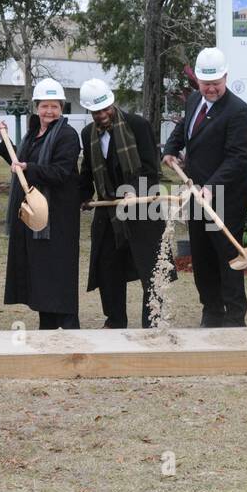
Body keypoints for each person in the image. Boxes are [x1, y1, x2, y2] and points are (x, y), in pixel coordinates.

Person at [162, 47, 247, 327]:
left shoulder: (239, 112)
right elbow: (183, 129)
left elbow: (237, 158)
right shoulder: (194, 101)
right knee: (201, 256)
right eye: (206, 83)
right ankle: (212, 310)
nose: (212, 89)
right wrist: (170, 149)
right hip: (195, 194)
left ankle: (235, 315)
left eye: (217, 83)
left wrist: (212, 186)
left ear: (226, 77)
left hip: (224, 197)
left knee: (227, 256)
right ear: (198, 81)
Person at [77, 78, 170, 329]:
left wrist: (135, 192)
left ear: (112, 103)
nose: (103, 114)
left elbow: (152, 168)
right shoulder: (88, 135)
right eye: (97, 112)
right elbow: (87, 170)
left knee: (150, 267)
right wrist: (83, 195)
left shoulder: (138, 125)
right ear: (90, 112)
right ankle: (115, 319)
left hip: (143, 207)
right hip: (109, 211)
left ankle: (152, 321)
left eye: (106, 108)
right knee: (108, 267)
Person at [0, 78, 82, 329]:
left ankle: (67, 325)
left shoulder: (67, 135)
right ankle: (47, 324)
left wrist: (28, 168)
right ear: (36, 107)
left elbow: (60, 172)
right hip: (36, 216)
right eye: (45, 106)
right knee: (41, 274)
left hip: (58, 217)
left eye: (54, 106)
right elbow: (20, 164)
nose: (49, 111)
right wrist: (5, 142)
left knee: (59, 273)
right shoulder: (34, 133)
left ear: (62, 107)